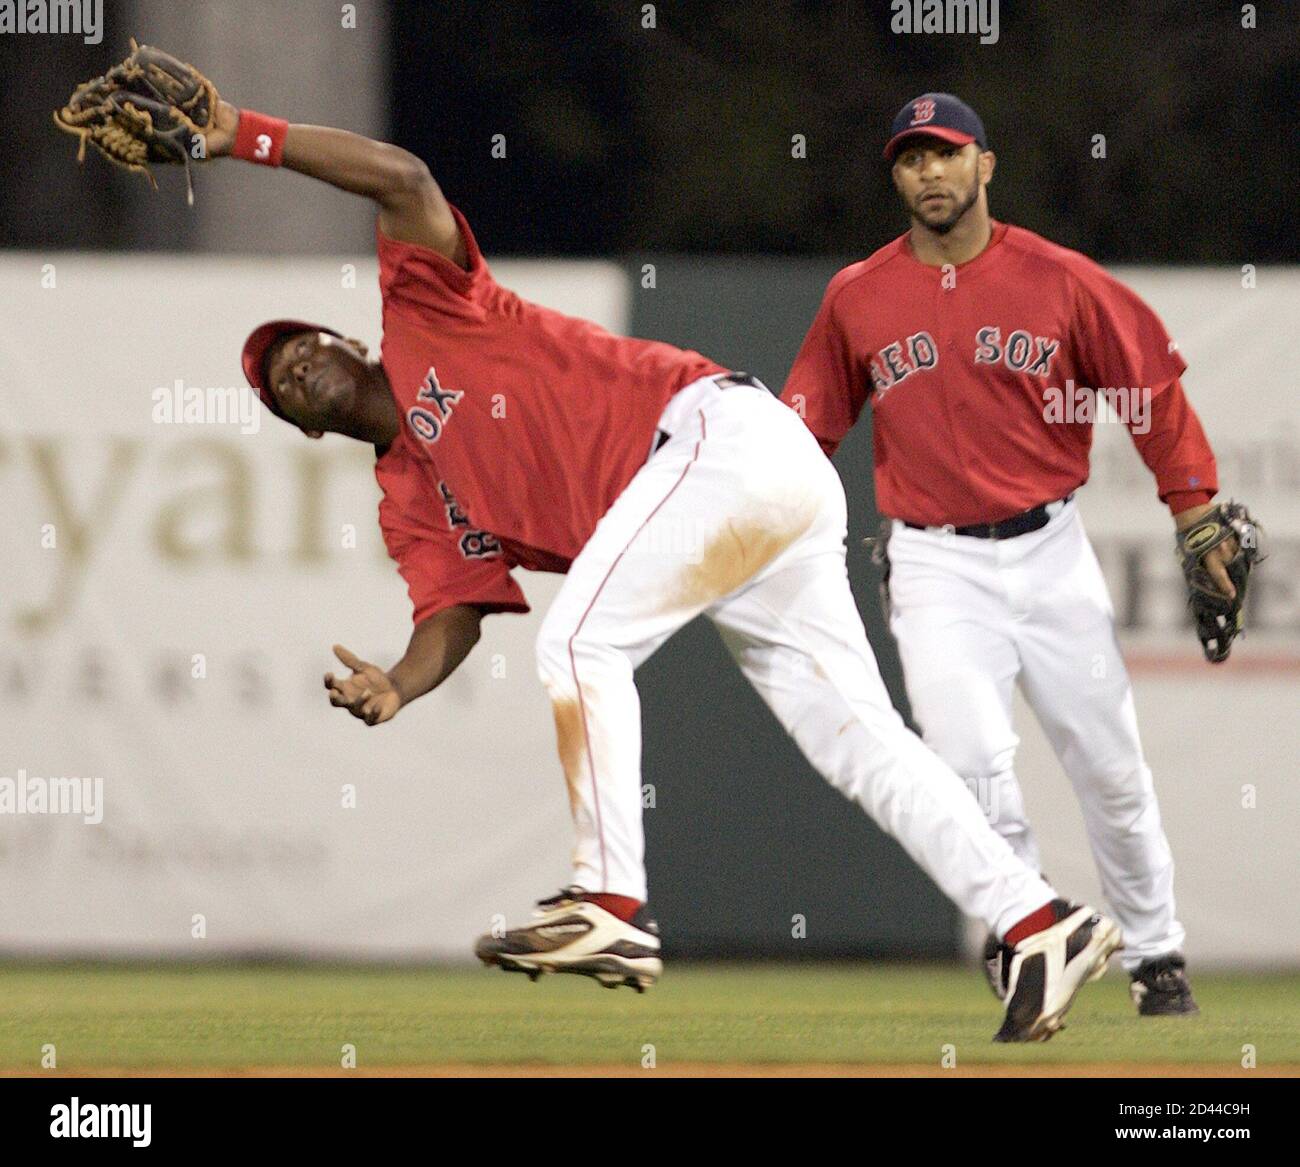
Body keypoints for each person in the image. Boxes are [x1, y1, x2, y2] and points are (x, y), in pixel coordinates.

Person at [172, 75, 1118, 1041]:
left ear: (344, 338)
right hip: (748, 506)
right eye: (281, 387)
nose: (293, 371)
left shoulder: (424, 307)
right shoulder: (409, 500)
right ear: (304, 426)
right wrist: (399, 686)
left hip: (717, 438)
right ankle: (1038, 919)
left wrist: (244, 136)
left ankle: (611, 906)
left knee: (580, 642)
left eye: (298, 348)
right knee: (858, 744)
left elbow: (402, 177)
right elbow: (450, 611)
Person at [781, 92, 1221, 1016]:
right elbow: (803, 430)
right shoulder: (859, 294)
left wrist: (1195, 512)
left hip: (1050, 549)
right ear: (896, 175)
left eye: (947, 153)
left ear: (987, 164)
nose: (929, 172)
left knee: (1109, 766)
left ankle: (1157, 952)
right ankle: (1029, 930)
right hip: (935, 563)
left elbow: (1153, 392)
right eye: (910, 158)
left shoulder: (1060, 279)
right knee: (971, 765)